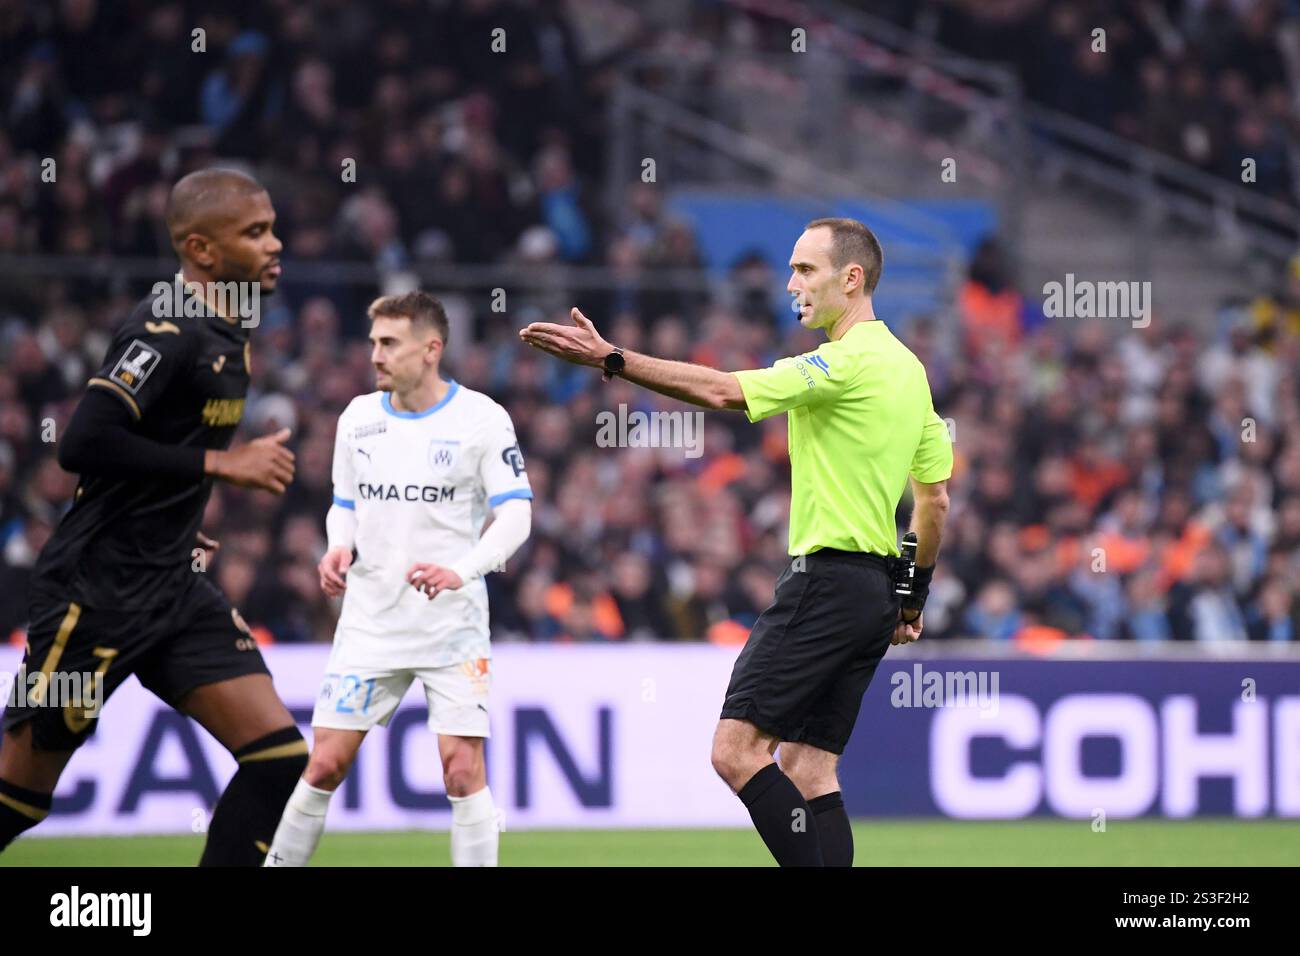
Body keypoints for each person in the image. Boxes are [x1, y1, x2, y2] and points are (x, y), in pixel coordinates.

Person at [521, 218, 953, 866]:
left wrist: (612, 359)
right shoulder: (910, 371)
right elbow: (935, 501)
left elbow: (723, 390)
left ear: (852, 278)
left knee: (735, 752)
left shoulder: (843, 361)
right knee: (809, 769)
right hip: (873, 595)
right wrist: (910, 601)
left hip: (827, 583)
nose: (791, 284)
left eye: (806, 270)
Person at [0, 168, 306, 865]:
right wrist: (217, 468)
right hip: (94, 593)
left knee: (278, 758)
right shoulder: (164, 328)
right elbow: (84, 442)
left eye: (272, 227)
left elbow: (147, 451)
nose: (274, 244)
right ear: (201, 249)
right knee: (18, 800)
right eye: (254, 232)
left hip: (170, 585)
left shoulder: (231, 325)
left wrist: (170, 511)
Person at [265, 291, 532, 867]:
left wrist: (461, 571)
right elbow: (344, 505)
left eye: (389, 343)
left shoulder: (481, 419)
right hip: (370, 622)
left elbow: (516, 514)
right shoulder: (358, 419)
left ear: (431, 349)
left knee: (462, 772)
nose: (375, 355)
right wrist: (338, 546)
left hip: (452, 628)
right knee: (323, 765)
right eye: (372, 343)